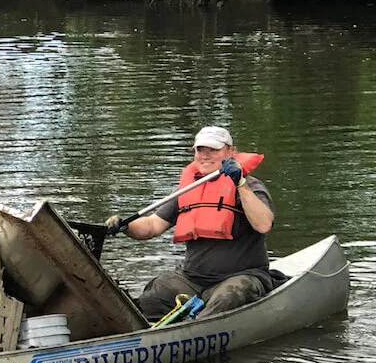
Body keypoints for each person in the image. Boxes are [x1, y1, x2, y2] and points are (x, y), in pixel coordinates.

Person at [106, 126, 275, 319]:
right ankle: (144, 334)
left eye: (213, 150)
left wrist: (240, 184)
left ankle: (197, 331)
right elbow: (152, 226)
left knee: (228, 296)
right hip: (193, 279)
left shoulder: (250, 186)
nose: (205, 156)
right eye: (200, 150)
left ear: (230, 152)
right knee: (155, 293)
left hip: (241, 277)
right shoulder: (188, 189)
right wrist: (126, 226)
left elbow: (264, 224)